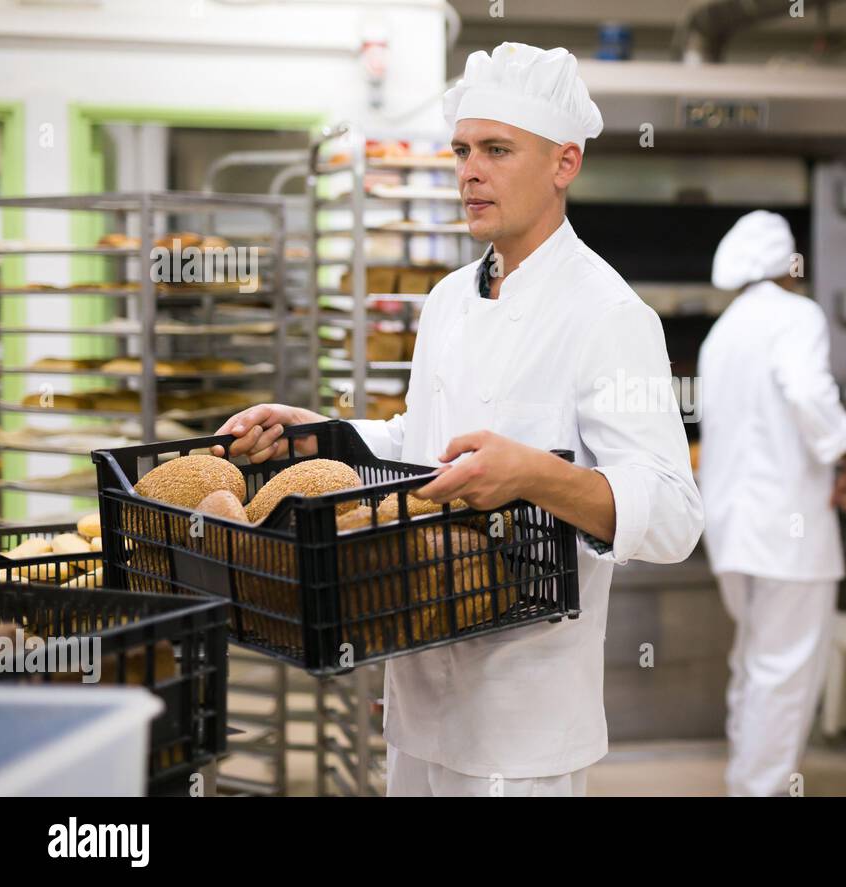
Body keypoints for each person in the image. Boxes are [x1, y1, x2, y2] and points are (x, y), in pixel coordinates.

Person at [215, 42, 703, 797]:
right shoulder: (446, 301)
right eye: (462, 150)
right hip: (416, 697)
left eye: (498, 150)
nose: (469, 171)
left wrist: (536, 475)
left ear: (563, 163)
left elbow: (672, 512)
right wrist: (323, 435)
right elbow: (422, 444)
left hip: (523, 723)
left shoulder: (608, 314)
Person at [697, 210, 846, 797]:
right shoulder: (797, 316)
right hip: (785, 531)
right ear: (787, 265)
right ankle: (761, 791)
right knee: (785, 672)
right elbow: (808, 391)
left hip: (732, 529)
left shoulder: (725, 332)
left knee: (755, 663)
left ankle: (745, 781)